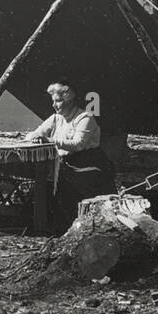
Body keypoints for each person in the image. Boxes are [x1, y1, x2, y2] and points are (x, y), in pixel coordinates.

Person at [29, 79, 117, 230]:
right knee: (57, 192)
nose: (54, 105)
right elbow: (36, 133)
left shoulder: (85, 118)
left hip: (88, 165)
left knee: (75, 195)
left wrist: (50, 140)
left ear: (69, 101)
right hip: (68, 165)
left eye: (58, 101)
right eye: (53, 101)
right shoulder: (56, 118)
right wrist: (35, 136)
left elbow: (78, 144)